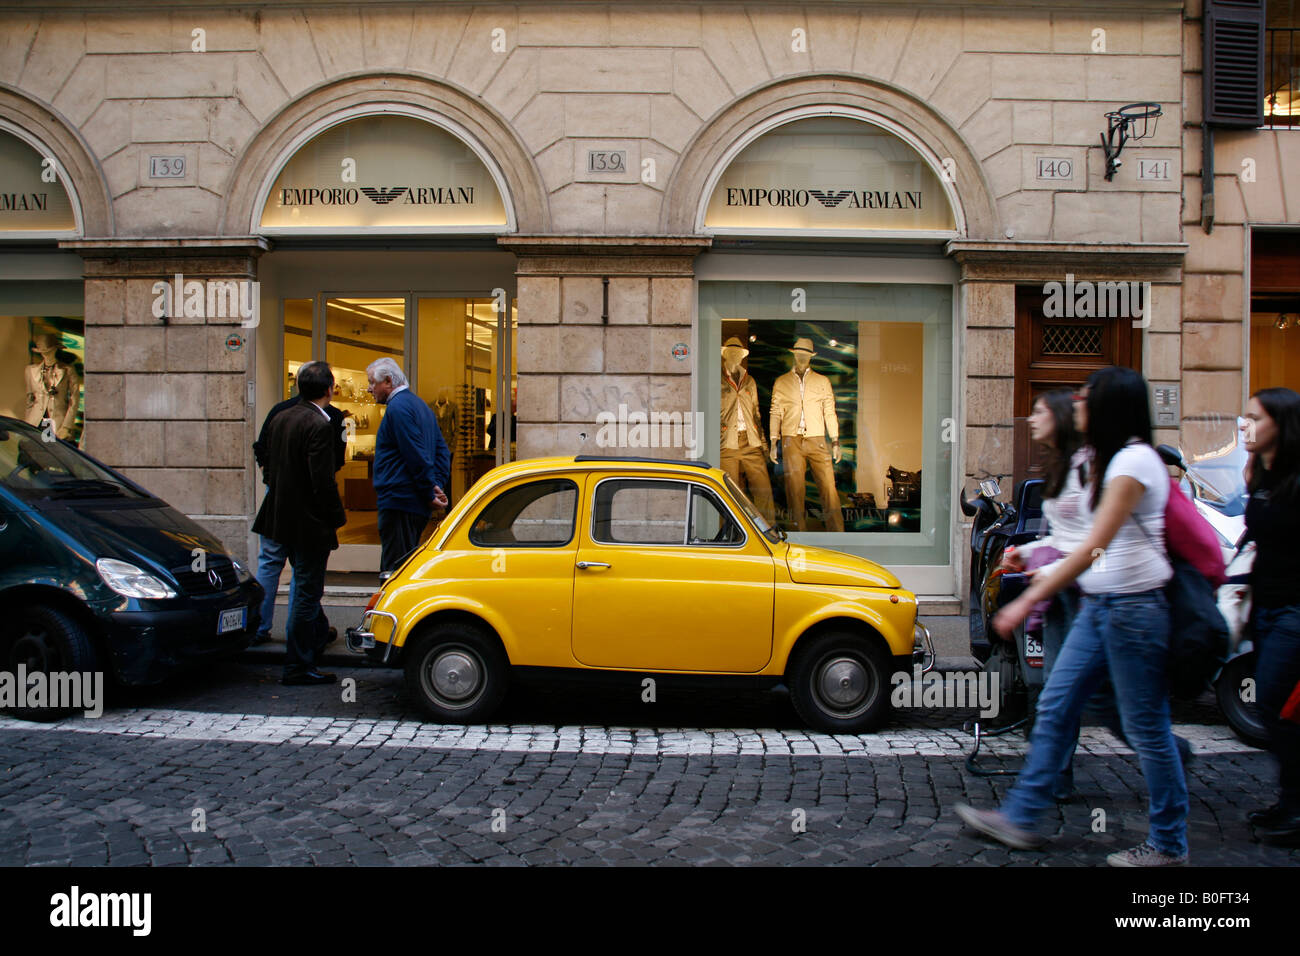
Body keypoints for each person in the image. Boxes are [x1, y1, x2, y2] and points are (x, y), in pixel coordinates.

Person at [955, 366, 1188, 867]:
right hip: (1100, 609)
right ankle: (1021, 816)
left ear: (1110, 405)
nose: (1075, 403)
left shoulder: (1134, 463)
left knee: (1146, 729)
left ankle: (1169, 844)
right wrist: (1035, 550)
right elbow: (1076, 542)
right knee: (1057, 707)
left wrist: (1023, 601)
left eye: (1087, 397)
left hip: (1133, 610)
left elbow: (1092, 549)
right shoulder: (1102, 461)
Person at [1002, 390, 1089, 797]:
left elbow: (1093, 543)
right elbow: (1062, 536)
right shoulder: (1057, 466)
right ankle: (1057, 776)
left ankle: (1169, 752)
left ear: (1060, 417)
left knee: (1073, 693)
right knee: (1054, 688)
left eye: (1039, 411)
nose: (1031, 418)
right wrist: (1028, 552)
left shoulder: (1090, 468)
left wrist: (1046, 569)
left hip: (1087, 595)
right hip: (1060, 594)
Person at [252, 361, 347, 686]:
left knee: (292, 579)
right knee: (306, 591)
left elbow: (268, 461)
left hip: (281, 516)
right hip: (307, 523)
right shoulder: (319, 425)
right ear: (329, 390)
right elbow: (322, 481)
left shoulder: (282, 417)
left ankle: (314, 636)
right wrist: (337, 517)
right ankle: (299, 663)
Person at [1241, 387, 1300, 846]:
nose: (1246, 425)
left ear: (1283, 424)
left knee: (1279, 708)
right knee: (1272, 707)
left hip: (1294, 610)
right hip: (1268, 604)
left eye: (1255, 418)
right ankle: (1288, 801)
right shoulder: (1263, 473)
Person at [367, 357, 450, 575]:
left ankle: (390, 610)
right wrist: (436, 485)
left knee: (394, 568)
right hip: (411, 499)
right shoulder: (419, 405)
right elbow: (441, 451)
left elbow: (415, 453)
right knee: (404, 561)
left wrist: (428, 490)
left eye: (372, 383)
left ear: (387, 381)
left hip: (400, 499)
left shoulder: (398, 408)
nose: (369, 389)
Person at [769, 337, 843, 532]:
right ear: (794, 355)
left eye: (805, 355)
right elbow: (775, 412)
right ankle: (799, 537)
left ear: (811, 357)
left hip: (817, 439)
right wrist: (773, 441)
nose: (802, 358)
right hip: (791, 439)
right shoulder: (782, 382)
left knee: (828, 488)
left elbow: (829, 411)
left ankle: (838, 535)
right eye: (799, 354)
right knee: (794, 491)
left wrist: (835, 441)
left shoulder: (822, 381)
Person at [720, 336, 776, 524]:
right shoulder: (717, 379)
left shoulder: (749, 380)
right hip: (727, 442)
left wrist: (764, 446)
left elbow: (756, 414)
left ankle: (770, 533)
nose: (735, 355)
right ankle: (730, 535)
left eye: (738, 352)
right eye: (731, 352)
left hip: (750, 440)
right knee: (730, 493)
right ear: (725, 355)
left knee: (763, 490)